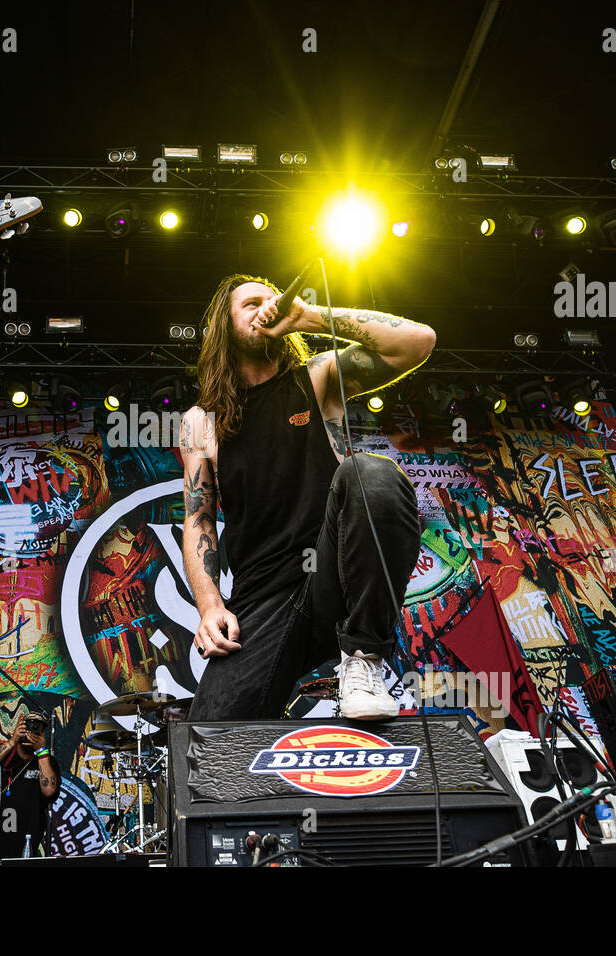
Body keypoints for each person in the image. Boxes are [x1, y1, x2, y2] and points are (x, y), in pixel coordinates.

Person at [180, 274, 435, 721]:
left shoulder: (317, 377)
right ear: (225, 325)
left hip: (333, 571)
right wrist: (210, 606)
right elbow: (198, 519)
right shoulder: (201, 423)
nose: (267, 307)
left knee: (370, 472)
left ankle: (363, 658)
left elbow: (417, 342)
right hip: (263, 597)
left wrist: (308, 316)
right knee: (208, 738)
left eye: (272, 300)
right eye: (251, 303)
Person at [0, 713, 60, 858]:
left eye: (37, 728)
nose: (31, 732)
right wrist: (13, 740)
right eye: (27, 725)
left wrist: (41, 750)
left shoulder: (47, 762)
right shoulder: (4, 755)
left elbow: (49, 791)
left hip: (26, 846)